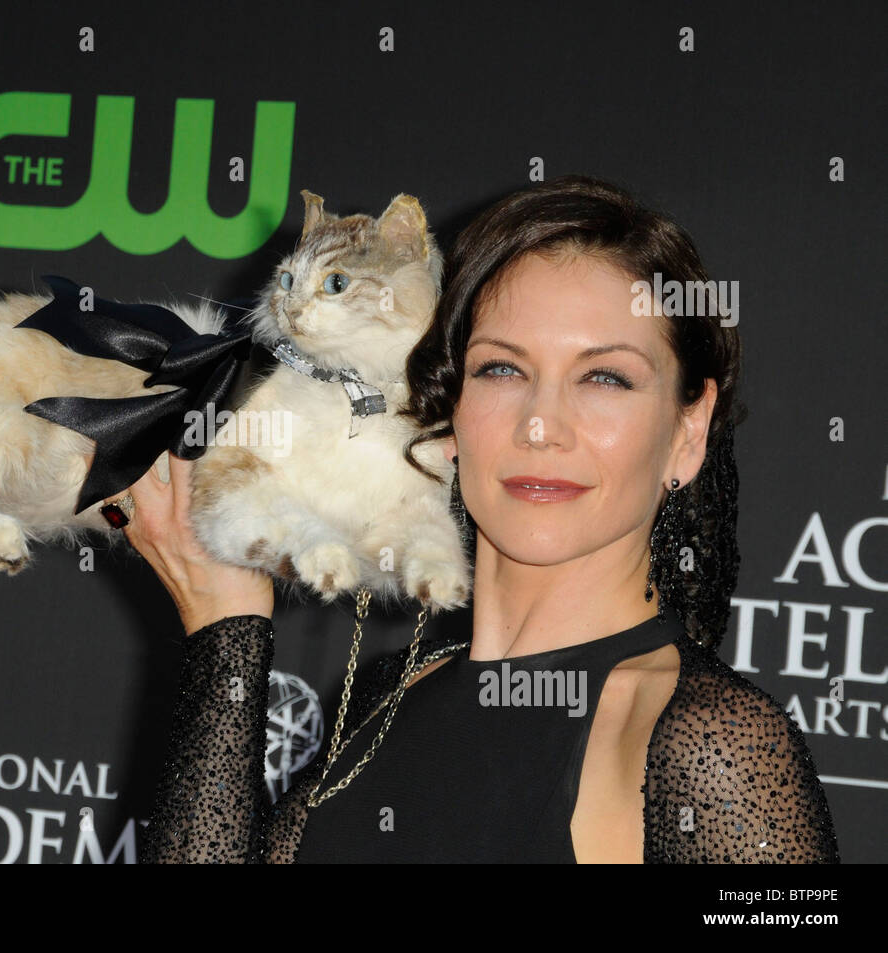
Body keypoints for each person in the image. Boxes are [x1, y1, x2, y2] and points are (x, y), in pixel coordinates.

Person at [104, 175, 840, 863]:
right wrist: (223, 618)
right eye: (501, 369)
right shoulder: (393, 692)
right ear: (443, 404)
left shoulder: (711, 745)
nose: (541, 424)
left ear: (688, 430)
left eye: (606, 377)